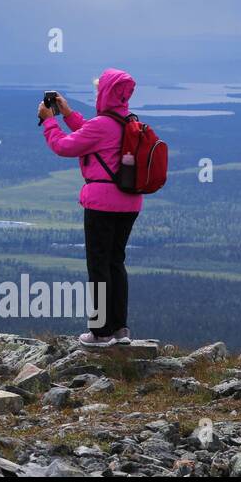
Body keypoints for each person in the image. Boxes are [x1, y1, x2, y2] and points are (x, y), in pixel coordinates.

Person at [37, 69, 141, 347]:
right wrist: (68, 113)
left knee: (98, 265)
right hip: (130, 203)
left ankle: (100, 332)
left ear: (105, 93)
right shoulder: (128, 121)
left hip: (102, 203)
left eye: (98, 90)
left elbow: (63, 146)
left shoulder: (102, 125)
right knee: (115, 262)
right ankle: (120, 330)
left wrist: (49, 122)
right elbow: (91, 133)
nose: (97, 95)